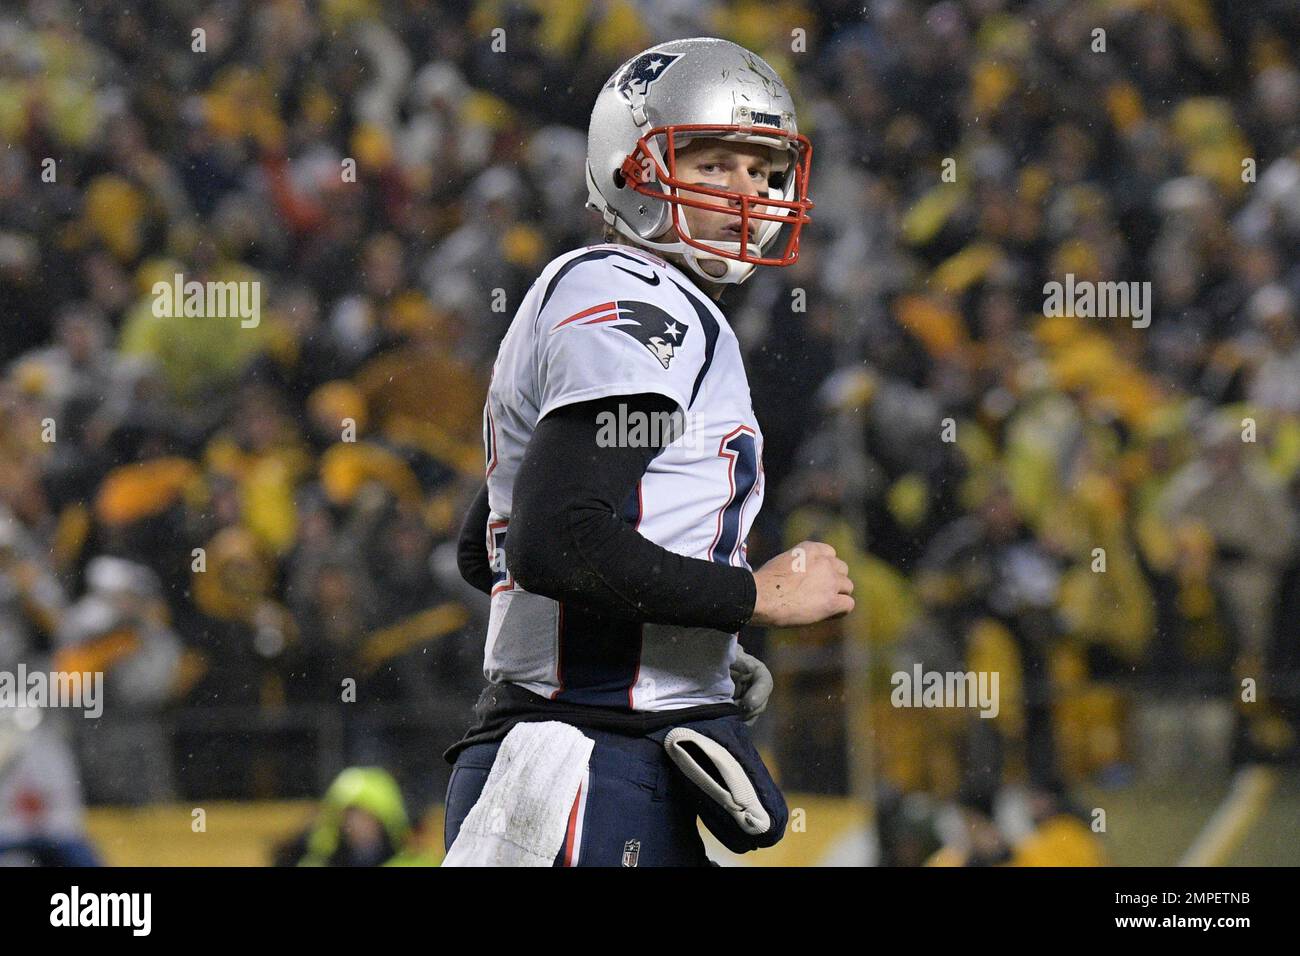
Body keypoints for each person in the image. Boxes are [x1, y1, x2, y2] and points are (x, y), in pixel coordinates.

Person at [444, 37, 854, 866]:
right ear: (632, 167)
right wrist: (752, 597)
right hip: (581, 766)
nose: (749, 190)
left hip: (608, 750)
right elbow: (554, 542)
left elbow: (486, 546)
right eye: (714, 163)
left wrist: (686, 648)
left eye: (763, 167)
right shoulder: (629, 292)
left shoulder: (633, 296)